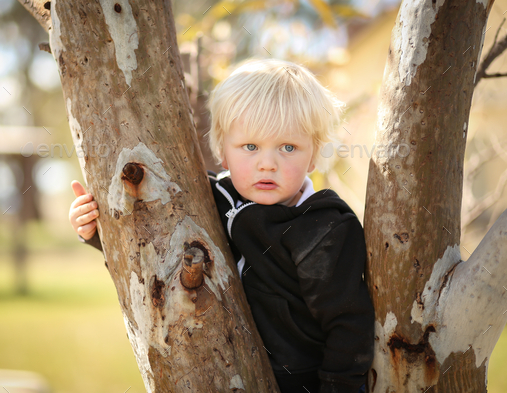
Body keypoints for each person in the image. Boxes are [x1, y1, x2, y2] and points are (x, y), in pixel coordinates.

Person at [69, 58, 374, 393]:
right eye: (250, 147)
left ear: (313, 155)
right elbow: (155, 238)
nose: (267, 164)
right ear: (222, 151)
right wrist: (95, 231)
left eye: (289, 147)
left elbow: (348, 325)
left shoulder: (324, 228)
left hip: (298, 383)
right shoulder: (211, 199)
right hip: (218, 371)